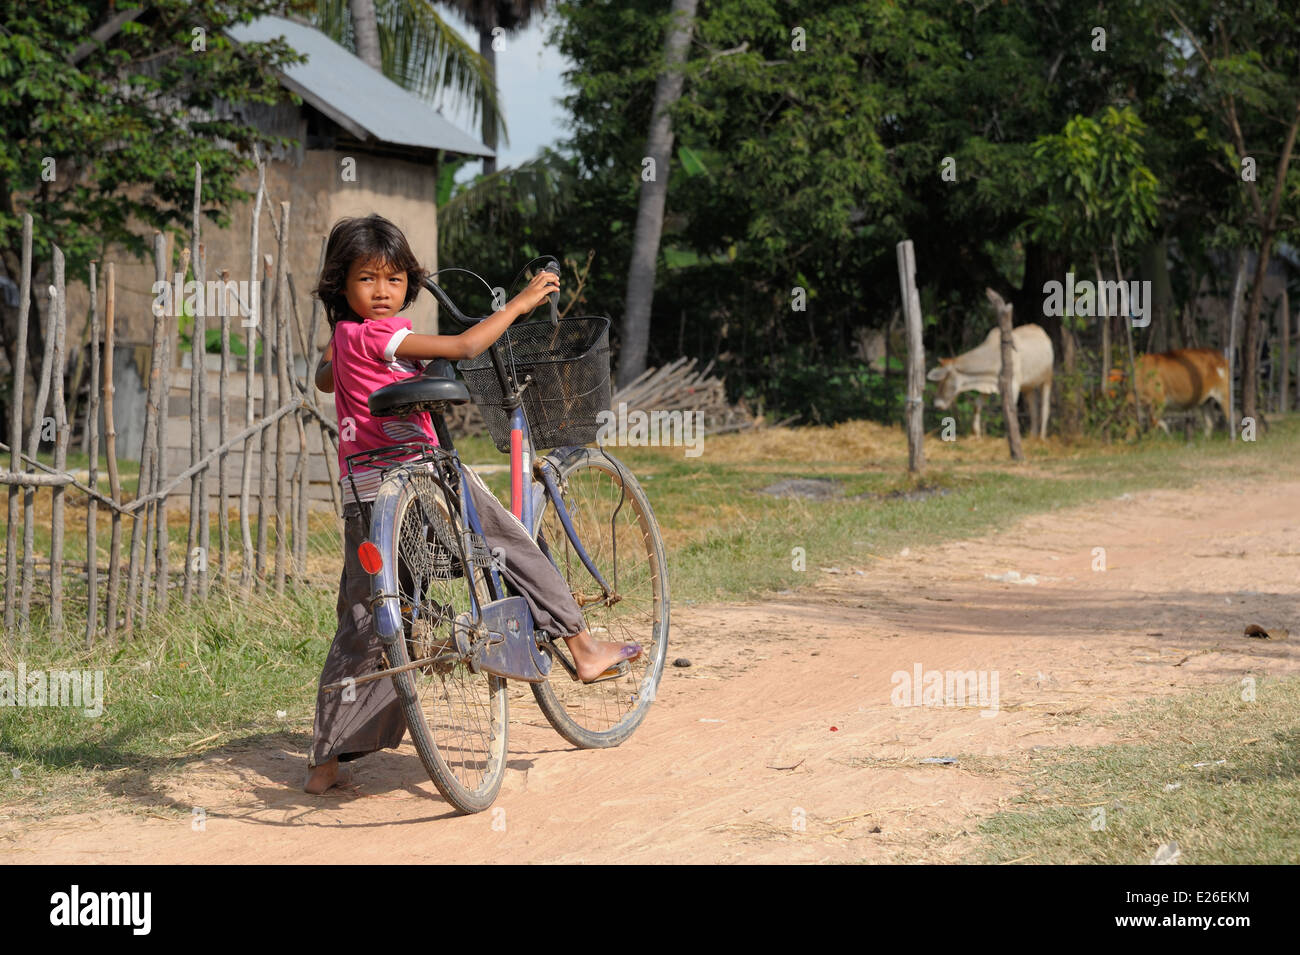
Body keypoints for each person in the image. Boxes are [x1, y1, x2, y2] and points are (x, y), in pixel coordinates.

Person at [303, 214, 641, 794]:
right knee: (512, 543)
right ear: (343, 287)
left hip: (363, 495)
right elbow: (464, 344)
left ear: (409, 280)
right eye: (366, 280)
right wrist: (522, 304)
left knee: (366, 619)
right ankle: (583, 647)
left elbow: (326, 382)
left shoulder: (348, 339)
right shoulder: (383, 335)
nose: (382, 291)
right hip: (420, 483)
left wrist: (346, 354)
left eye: (393, 278)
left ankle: (325, 761)